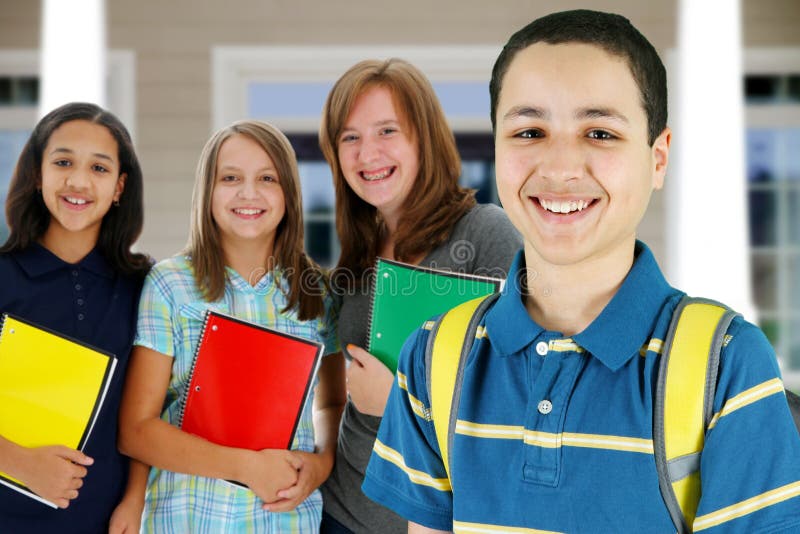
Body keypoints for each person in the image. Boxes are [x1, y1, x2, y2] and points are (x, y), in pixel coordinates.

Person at [362, 10, 800, 533]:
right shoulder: (433, 354)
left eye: (599, 132)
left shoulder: (727, 364)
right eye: (529, 131)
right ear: (496, 149)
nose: (561, 167)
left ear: (658, 158)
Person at [318, 58, 522, 533]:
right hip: (341, 514)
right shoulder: (354, 263)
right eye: (350, 137)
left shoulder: (485, 234)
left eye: (386, 130)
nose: (367, 153)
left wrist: (397, 403)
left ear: (423, 137)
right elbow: (331, 403)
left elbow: (519, 396)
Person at [118, 119, 344, 533]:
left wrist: (320, 464)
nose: (248, 192)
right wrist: (247, 467)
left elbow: (331, 404)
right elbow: (136, 430)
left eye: (267, 178)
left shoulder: (318, 294)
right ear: (208, 191)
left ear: (289, 194)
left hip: (285, 521)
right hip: (185, 518)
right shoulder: (170, 285)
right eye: (231, 178)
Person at [0, 102, 151, 533]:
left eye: (99, 168)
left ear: (120, 187)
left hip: (105, 522)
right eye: (63, 162)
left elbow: (150, 409)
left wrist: (136, 500)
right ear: (37, 174)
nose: (79, 181)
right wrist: (20, 463)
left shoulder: (144, 286)